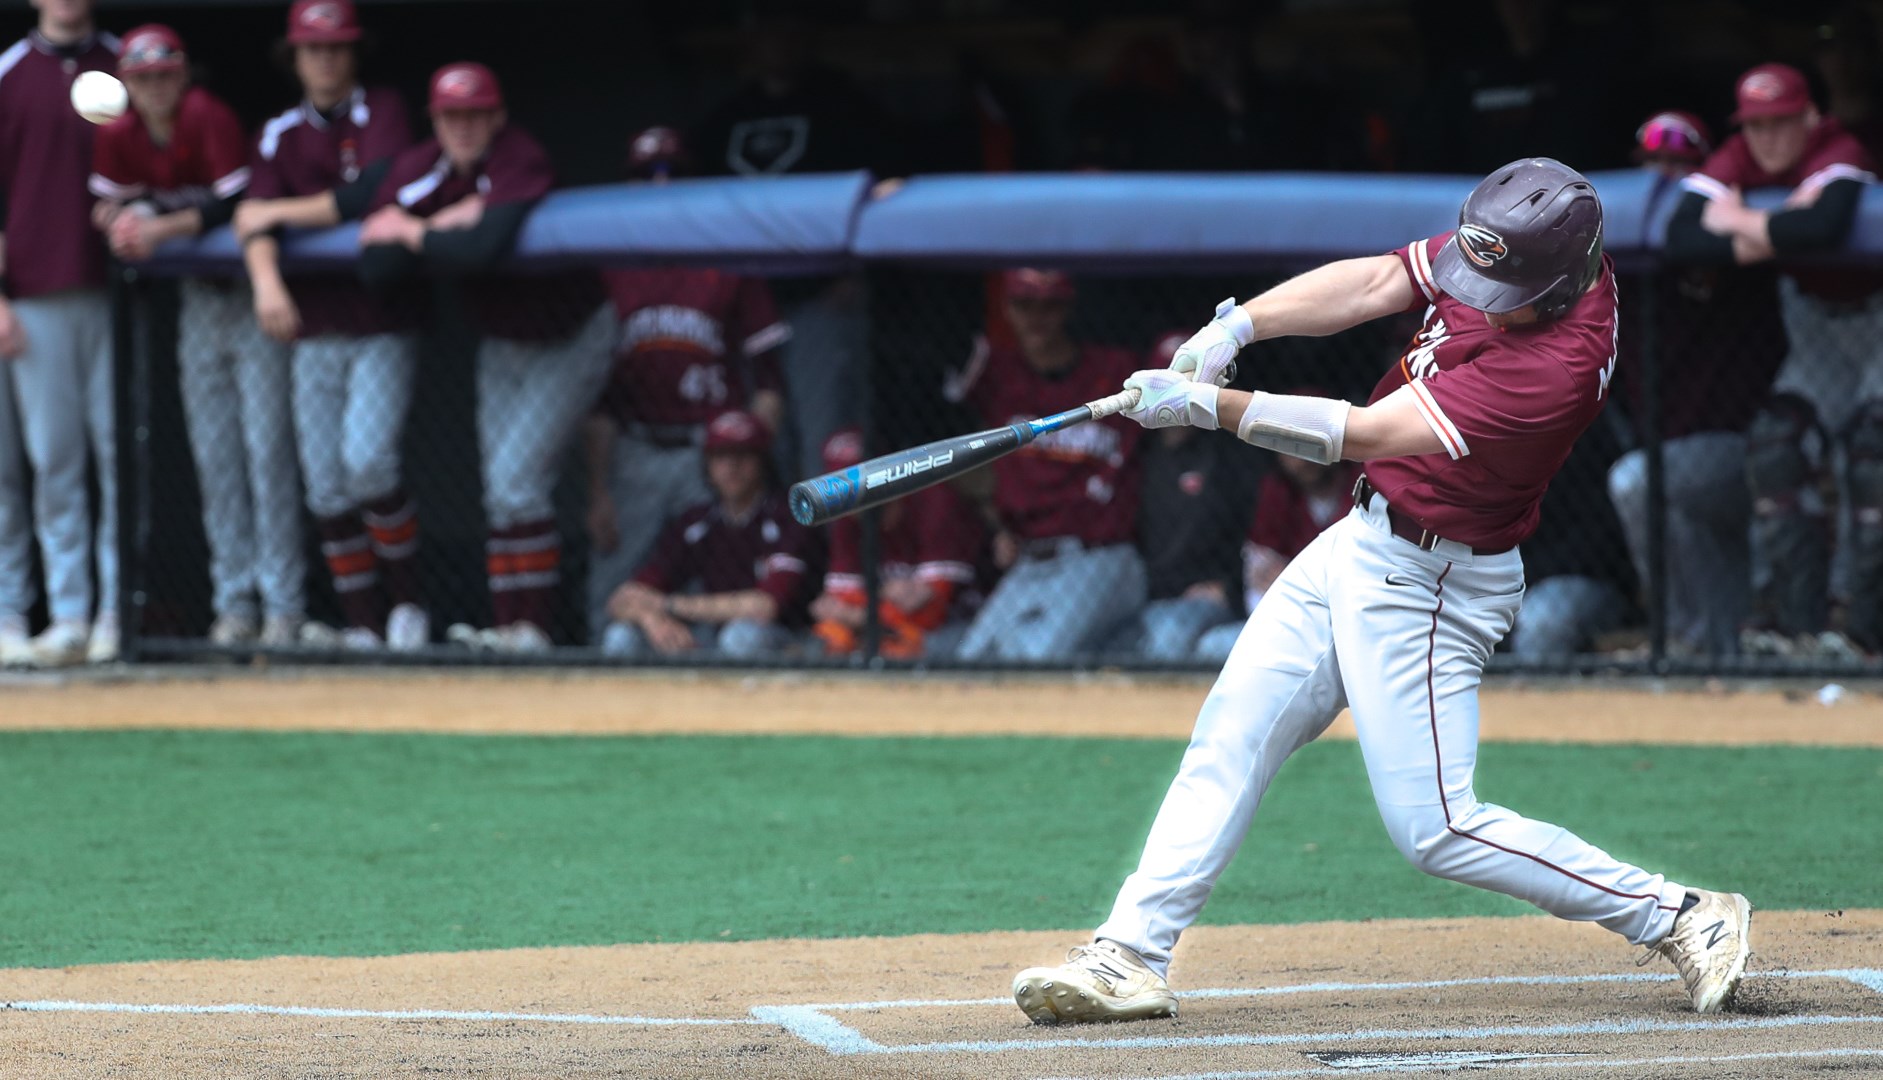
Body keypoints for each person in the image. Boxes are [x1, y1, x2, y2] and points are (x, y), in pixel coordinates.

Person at [1011, 159, 1751, 1026]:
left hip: (1432, 583)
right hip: (1357, 545)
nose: (1474, 290)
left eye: (1498, 285)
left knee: (1435, 826)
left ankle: (1681, 914)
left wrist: (1206, 407)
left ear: (1557, 284)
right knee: (1232, 733)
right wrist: (1234, 328)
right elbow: (1374, 281)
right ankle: (1130, 953)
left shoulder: (1554, 368)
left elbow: (1364, 434)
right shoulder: (1523, 249)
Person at [357, 61, 611, 653]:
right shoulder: (421, 167)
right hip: (501, 337)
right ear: (436, 121)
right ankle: (509, 628)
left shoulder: (518, 156)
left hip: (570, 333)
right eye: (452, 116)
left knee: (517, 481)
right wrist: (449, 226)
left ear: (497, 117)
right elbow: (375, 267)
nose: (464, 127)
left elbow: (485, 248)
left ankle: (532, 629)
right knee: (501, 491)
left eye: (475, 115)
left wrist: (418, 232)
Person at [89, 24, 306, 649]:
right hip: (196, 306)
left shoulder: (208, 117)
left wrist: (157, 231)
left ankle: (284, 607)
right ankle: (234, 604)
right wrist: (121, 222)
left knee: (266, 456)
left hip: (246, 295)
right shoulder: (121, 131)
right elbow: (106, 203)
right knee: (216, 461)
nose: (154, 87)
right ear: (127, 82)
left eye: (164, 75)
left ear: (182, 75)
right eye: (142, 77)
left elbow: (227, 208)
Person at [231, 0, 424, 651]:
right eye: (313, 49)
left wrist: (279, 211)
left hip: (379, 320)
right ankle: (364, 625)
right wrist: (265, 280)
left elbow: (369, 192)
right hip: (313, 324)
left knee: (368, 464)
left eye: (336, 47)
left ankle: (407, 608)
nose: (325, 59)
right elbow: (249, 219)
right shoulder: (280, 131)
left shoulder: (384, 109)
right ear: (294, 57)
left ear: (353, 52)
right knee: (324, 485)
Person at [1673, 62, 1882, 658]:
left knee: (1872, 458)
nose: (1768, 139)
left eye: (1781, 123)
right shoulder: (1740, 154)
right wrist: (1778, 227)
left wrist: (1741, 222)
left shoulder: (1838, 145)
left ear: (1810, 116)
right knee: (1775, 446)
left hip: (1876, 314)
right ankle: (1797, 628)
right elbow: (1680, 238)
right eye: (1757, 125)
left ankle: (1864, 633)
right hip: (1815, 326)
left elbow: (1827, 224)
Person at [587, 126, 788, 640]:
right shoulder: (611, 265)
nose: (659, 186)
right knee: (614, 594)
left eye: (672, 174)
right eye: (645, 176)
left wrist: (751, 457)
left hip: (710, 450)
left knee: (720, 585)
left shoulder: (725, 260)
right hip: (636, 447)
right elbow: (599, 398)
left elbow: (768, 377)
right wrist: (596, 489)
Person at [1615, 109, 1782, 658]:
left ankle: (1687, 638)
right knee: (1661, 492)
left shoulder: (1730, 246)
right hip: (1681, 458)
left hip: (1751, 448)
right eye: (1652, 163)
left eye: (1679, 165)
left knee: (1640, 481)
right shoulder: (1621, 266)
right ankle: (1713, 642)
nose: (1663, 177)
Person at [0, 0, 120, 668]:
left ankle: (113, 616)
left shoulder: (132, 63)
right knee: (51, 464)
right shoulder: (9, 73)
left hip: (117, 298)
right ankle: (57, 613)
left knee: (117, 459)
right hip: (33, 296)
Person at [945, 269, 1145, 662]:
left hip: (1101, 556)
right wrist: (996, 519)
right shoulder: (997, 376)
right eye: (1025, 305)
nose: (1037, 318)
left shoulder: (1116, 373)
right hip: (1029, 559)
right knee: (970, 659)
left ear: (1068, 309)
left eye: (1049, 306)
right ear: (1006, 309)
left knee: (1039, 658)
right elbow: (958, 457)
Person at [602, 409, 817, 659]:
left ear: (763, 461)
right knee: (622, 635)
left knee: (740, 636)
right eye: (721, 456)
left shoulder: (787, 515)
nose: (732, 466)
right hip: (710, 635)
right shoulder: (698, 521)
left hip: (783, 638)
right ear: (707, 464)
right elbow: (621, 600)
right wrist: (653, 619)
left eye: (743, 455)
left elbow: (764, 606)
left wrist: (668, 605)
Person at [1121, 331, 1259, 662]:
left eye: (1185, 387)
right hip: (1137, 591)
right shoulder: (1135, 454)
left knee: (1167, 638)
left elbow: (1255, 537)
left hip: (1199, 595)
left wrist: (1228, 587)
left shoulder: (1230, 457)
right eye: (1166, 386)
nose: (1174, 398)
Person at [808, 428, 983, 660]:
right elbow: (833, 605)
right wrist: (885, 598)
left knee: (905, 647)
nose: (845, 494)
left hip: (957, 625)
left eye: (855, 482)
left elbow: (931, 613)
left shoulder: (934, 501)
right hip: (889, 627)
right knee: (830, 637)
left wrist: (858, 605)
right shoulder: (847, 518)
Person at [1192, 419, 1357, 663]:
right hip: (1288, 628)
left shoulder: (1362, 488)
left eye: (1312, 443)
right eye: (1291, 447)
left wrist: (1293, 577)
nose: (1302, 457)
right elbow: (1259, 590)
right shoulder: (1277, 492)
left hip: (1352, 632)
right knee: (1212, 646)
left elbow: (1360, 579)